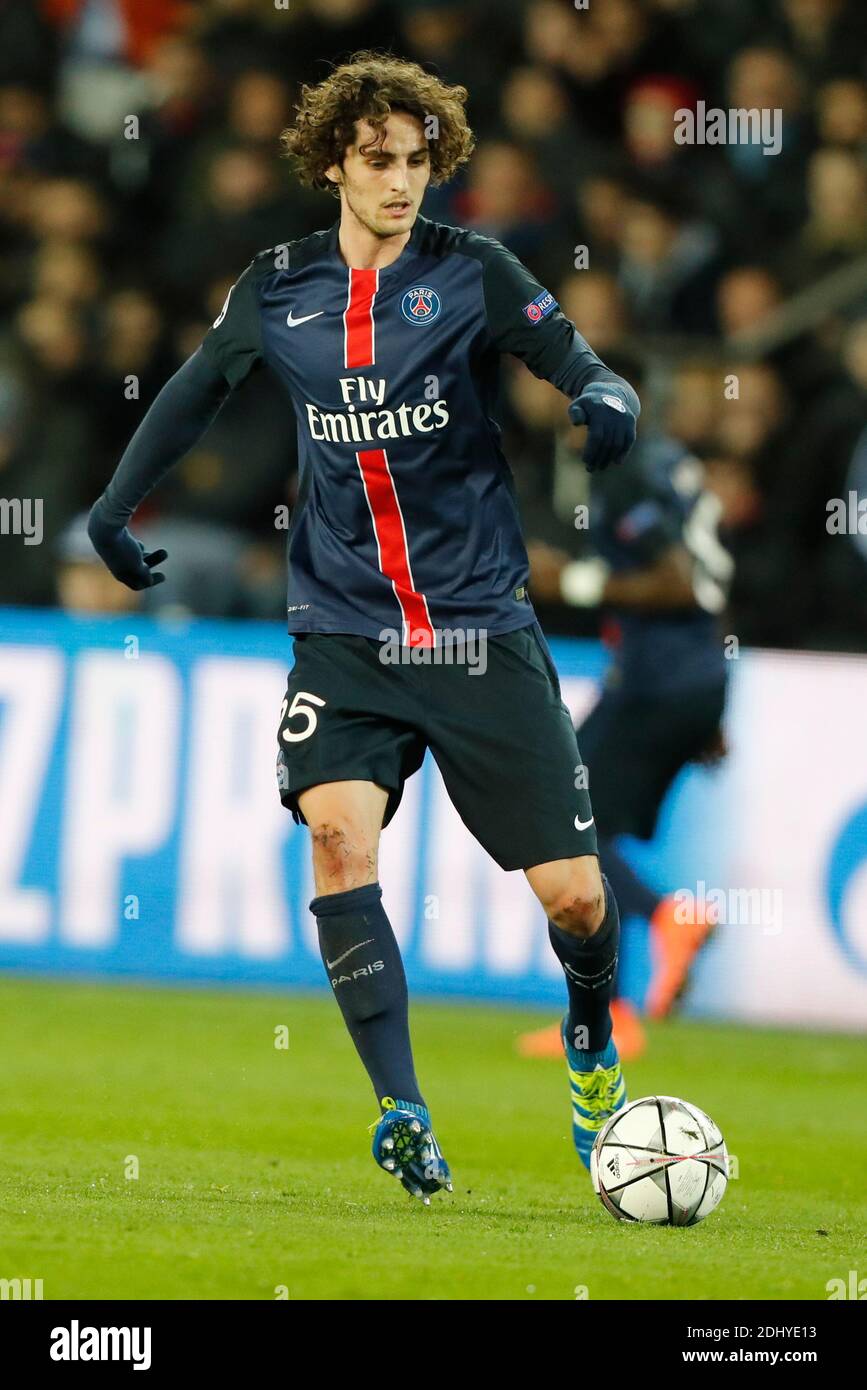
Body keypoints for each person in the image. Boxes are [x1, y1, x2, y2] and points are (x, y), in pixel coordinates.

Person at [87, 52, 640, 1202]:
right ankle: (402, 1110)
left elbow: (577, 361)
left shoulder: (472, 273)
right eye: (380, 161)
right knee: (338, 837)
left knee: (577, 899)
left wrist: (604, 400)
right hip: (343, 631)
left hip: (477, 629)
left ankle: (591, 1041)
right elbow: (195, 389)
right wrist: (111, 503)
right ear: (334, 160)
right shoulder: (276, 289)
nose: (402, 183)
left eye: (419, 162)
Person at [522, 353, 733, 1060]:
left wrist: (573, 582)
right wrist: (709, 702)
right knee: (586, 827)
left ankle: (664, 921)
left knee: (562, 819)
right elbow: (705, 585)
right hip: (687, 673)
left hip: (658, 675)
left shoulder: (630, 472)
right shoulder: (669, 462)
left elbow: (676, 582)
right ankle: (613, 1010)